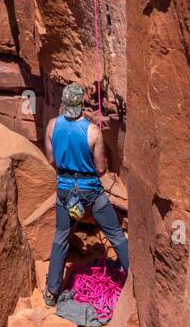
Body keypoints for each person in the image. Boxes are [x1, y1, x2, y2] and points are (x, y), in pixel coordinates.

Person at [43, 83, 129, 306]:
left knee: (61, 236)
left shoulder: (52, 126)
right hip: (90, 191)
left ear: (63, 103)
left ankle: (51, 292)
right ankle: (135, 281)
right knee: (116, 235)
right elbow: (100, 169)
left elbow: (51, 160)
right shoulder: (93, 131)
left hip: (64, 191)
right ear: (81, 104)